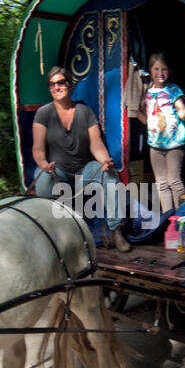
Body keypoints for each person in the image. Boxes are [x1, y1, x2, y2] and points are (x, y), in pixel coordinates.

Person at [31, 66, 132, 252]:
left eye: (61, 82)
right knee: (42, 179)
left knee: (109, 176)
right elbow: (38, 149)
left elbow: (96, 144)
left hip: (83, 170)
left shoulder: (84, 112)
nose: (56, 87)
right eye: (52, 84)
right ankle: (50, 233)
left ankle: (116, 231)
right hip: (57, 171)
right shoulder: (43, 113)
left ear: (69, 85)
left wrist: (104, 161)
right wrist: (44, 165)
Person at [142, 53, 185, 214]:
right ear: (150, 70)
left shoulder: (173, 90)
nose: (160, 73)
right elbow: (144, 115)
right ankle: (168, 217)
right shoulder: (148, 91)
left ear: (169, 71)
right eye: (156, 69)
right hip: (155, 145)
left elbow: (182, 114)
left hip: (174, 144)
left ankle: (181, 217)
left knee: (174, 181)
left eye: (164, 69)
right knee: (161, 183)